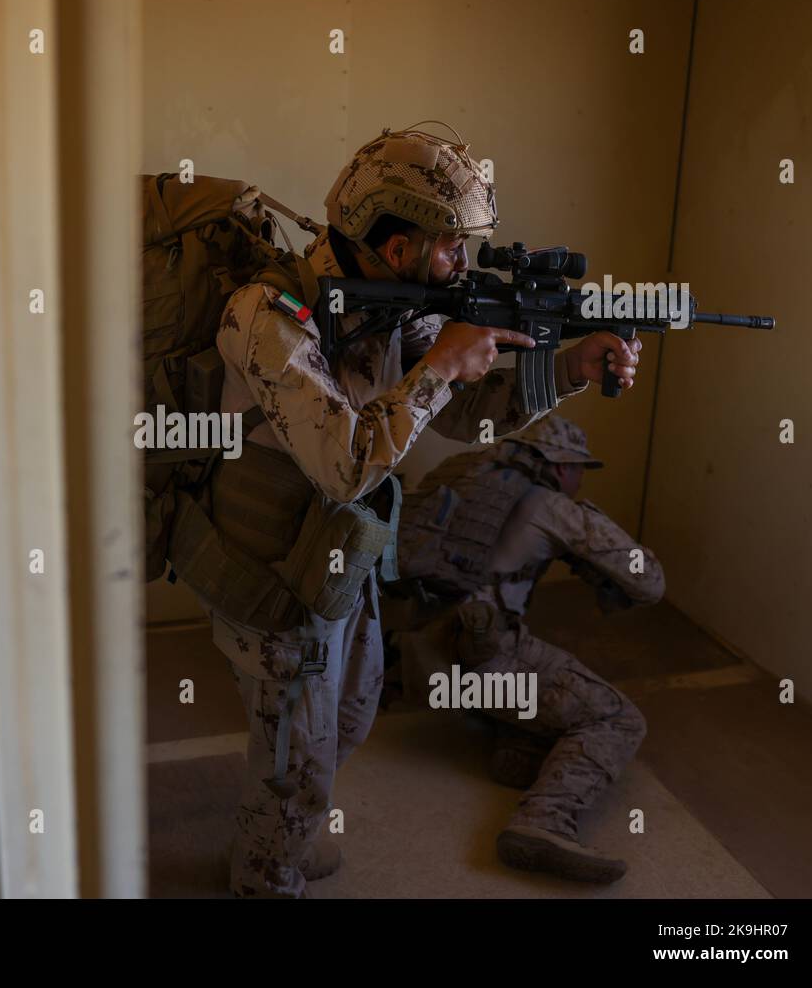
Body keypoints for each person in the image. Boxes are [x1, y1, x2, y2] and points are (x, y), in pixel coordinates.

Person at [167, 123, 643, 898]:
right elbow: (345, 465)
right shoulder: (269, 315)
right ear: (397, 249)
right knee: (294, 771)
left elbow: (464, 415)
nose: (464, 263)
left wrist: (568, 367)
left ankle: (283, 836)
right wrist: (440, 364)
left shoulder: (396, 309)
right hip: (273, 580)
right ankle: (265, 873)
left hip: (337, 567)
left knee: (351, 715)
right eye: (453, 245)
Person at [385, 416, 665, 883]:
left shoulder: (461, 474)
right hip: (480, 664)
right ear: (559, 467)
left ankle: (518, 742)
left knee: (535, 667)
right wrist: (588, 524)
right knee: (617, 719)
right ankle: (543, 823)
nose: (580, 480)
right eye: (580, 470)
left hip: (414, 659)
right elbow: (651, 582)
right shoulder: (550, 505)